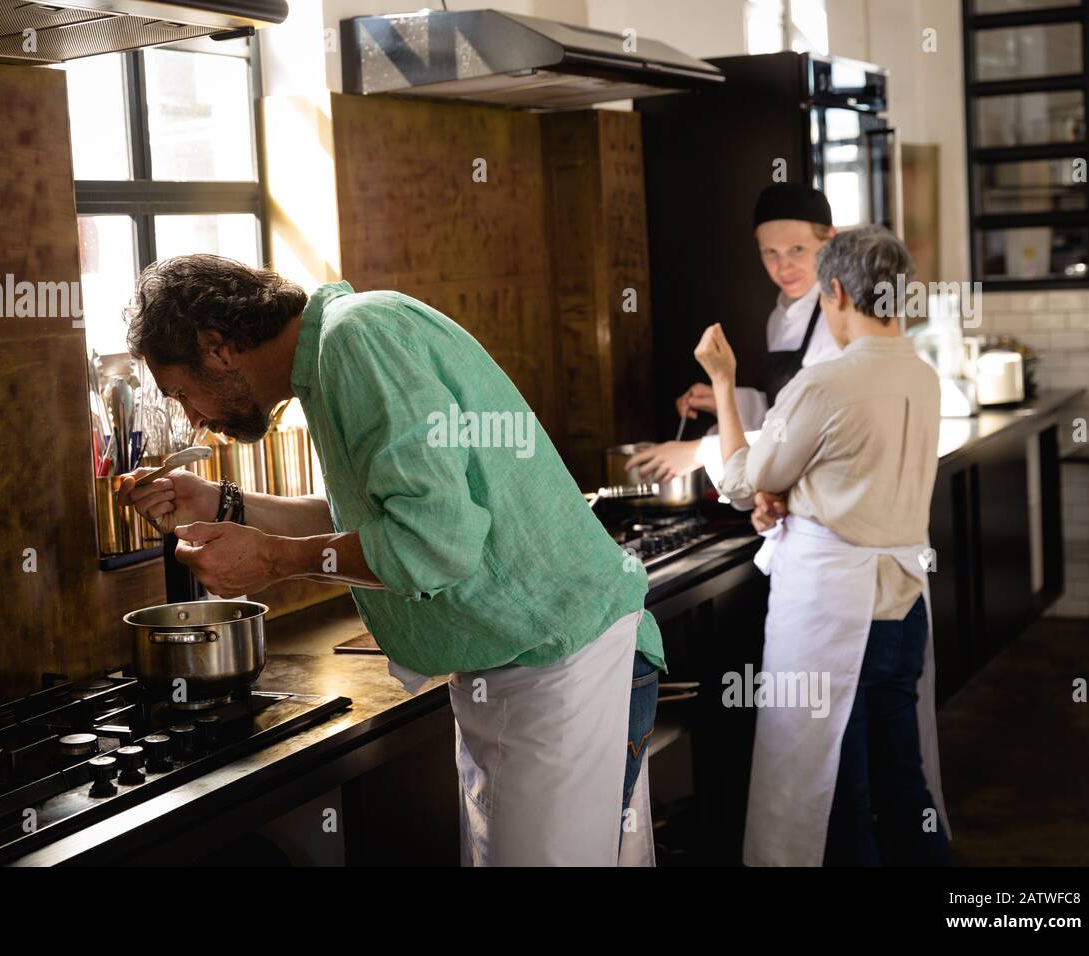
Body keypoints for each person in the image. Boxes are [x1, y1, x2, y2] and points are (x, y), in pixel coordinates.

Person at [115, 255, 666, 866]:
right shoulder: (333, 354)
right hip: (533, 665)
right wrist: (224, 501)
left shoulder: (356, 339)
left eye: (183, 395)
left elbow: (433, 540)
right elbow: (371, 519)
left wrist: (273, 560)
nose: (196, 420)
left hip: (561, 665)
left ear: (216, 347)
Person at [693, 226, 952, 866]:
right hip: (903, 606)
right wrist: (794, 492)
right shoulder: (923, 376)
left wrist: (724, 384)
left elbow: (739, 481)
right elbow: (842, 470)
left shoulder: (826, 383)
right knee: (902, 782)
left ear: (834, 290)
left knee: (833, 785)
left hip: (834, 611)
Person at [626, 183, 840, 482]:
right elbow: (780, 411)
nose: (783, 267)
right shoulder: (779, 317)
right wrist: (726, 399)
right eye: (770, 253)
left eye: (797, 249)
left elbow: (804, 432)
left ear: (829, 241)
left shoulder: (839, 319)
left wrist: (699, 451)